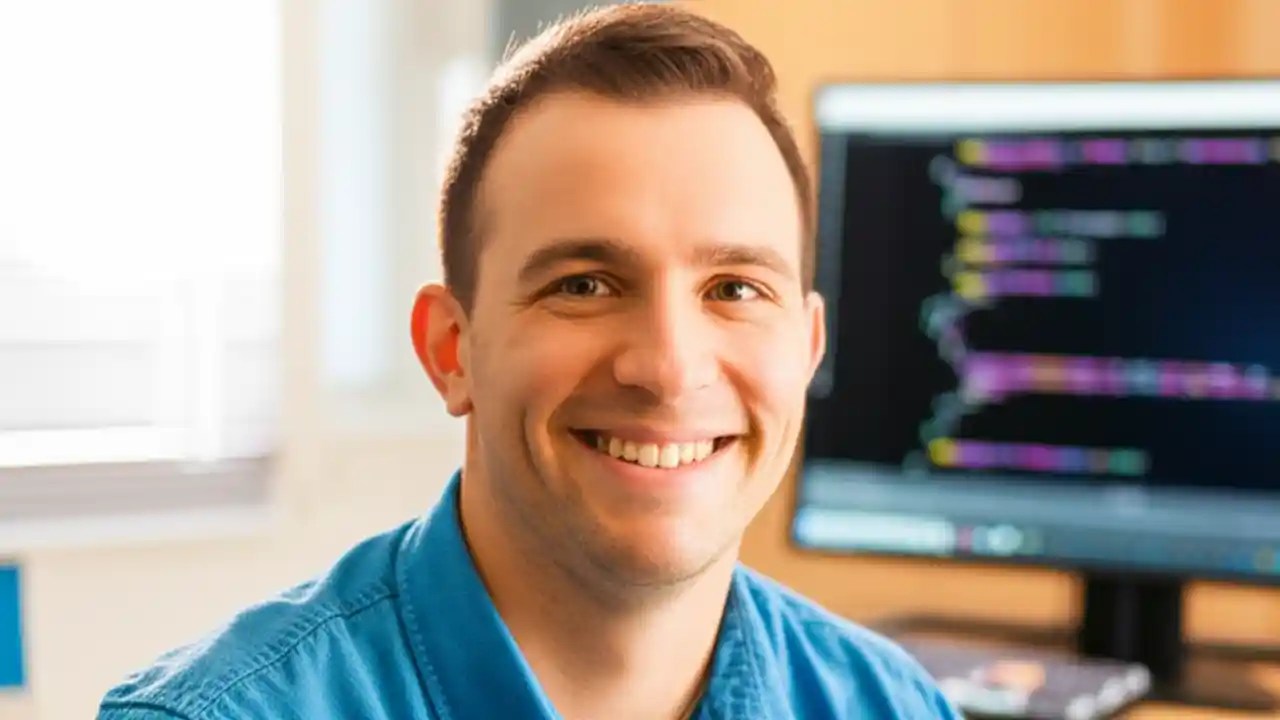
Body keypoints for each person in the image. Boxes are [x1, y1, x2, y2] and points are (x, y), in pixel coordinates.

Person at [99, 4, 962, 719]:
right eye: (584, 284)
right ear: (451, 350)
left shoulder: (896, 706)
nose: (669, 367)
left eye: (735, 289)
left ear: (806, 348)